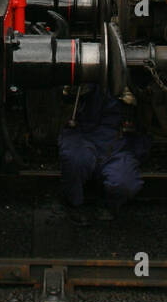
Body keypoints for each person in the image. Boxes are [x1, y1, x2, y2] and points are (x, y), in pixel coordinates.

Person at [58, 83, 149, 222]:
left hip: (117, 141)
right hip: (82, 134)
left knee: (124, 183)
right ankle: (74, 204)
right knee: (75, 160)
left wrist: (138, 97)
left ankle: (109, 204)